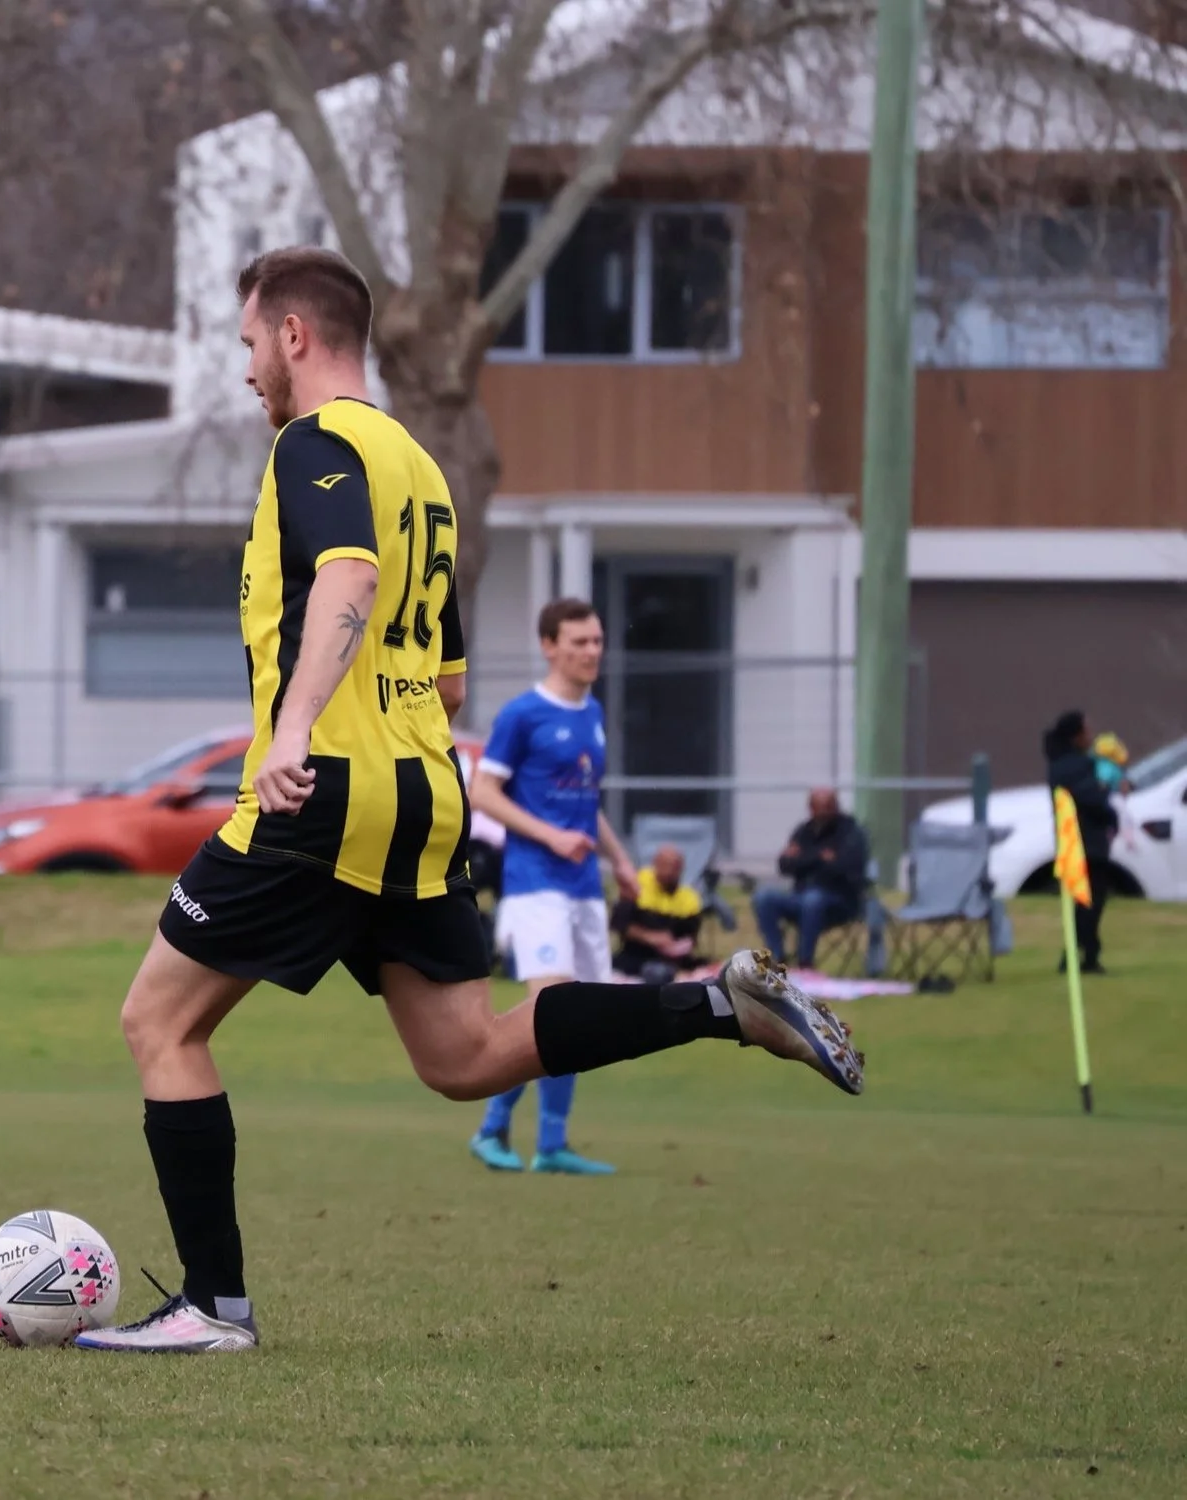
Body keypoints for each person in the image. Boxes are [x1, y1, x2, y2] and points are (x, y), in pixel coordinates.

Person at [72, 245, 864, 1356]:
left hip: (328, 791)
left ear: (295, 336)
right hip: (424, 796)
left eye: (251, 343)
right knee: (462, 1057)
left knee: (157, 1022)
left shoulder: (321, 443)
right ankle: (721, 1006)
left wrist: (293, 729)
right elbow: (446, 678)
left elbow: (346, 576)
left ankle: (215, 1308)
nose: (248, 369)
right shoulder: (420, 467)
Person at [461, 598, 639, 1177]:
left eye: (597, 641)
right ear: (548, 646)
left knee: (581, 1018)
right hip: (536, 884)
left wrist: (620, 861)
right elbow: (483, 793)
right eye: (579, 642)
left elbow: (588, 806)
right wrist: (550, 837)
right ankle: (493, 1127)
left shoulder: (592, 713)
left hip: (585, 888)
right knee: (552, 1011)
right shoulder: (523, 715)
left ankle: (551, 1146)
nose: (592, 651)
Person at [752, 789, 871, 970]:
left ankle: (805, 963)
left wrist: (804, 858)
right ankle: (777, 957)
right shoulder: (803, 831)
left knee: (813, 899)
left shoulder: (850, 832)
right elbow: (785, 865)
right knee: (764, 896)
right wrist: (820, 857)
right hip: (800, 897)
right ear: (811, 808)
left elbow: (847, 868)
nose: (824, 811)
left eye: (829, 806)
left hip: (840, 901)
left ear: (836, 806)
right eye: (820, 807)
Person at [1046, 711, 1115, 974]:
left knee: (1083, 901)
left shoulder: (1060, 763)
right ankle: (1086, 956)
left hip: (1074, 841)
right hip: (1086, 841)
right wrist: (1110, 812)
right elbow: (1091, 799)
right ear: (1076, 736)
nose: (1091, 735)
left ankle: (1077, 954)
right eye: (1087, 731)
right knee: (1090, 900)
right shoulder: (1077, 766)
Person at [614, 845, 705, 985]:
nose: (669, 872)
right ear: (655, 864)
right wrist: (651, 938)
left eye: (674, 867)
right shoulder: (638, 884)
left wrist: (677, 946)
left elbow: (690, 938)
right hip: (636, 955)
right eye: (665, 866)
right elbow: (619, 923)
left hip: (673, 960)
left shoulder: (689, 898)